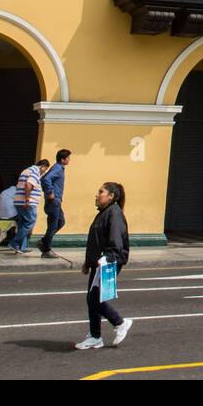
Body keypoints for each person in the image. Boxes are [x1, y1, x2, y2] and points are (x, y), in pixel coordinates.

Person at [76, 182, 132, 350]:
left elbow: (116, 239)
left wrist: (108, 258)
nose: (97, 195)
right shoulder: (103, 213)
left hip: (108, 262)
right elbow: (96, 241)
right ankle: (95, 336)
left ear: (111, 196)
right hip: (98, 263)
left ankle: (120, 323)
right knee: (92, 299)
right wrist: (88, 263)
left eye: (101, 192)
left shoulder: (114, 213)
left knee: (94, 299)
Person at [9, 158, 50, 254]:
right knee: (30, 222)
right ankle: (14, 242)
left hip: (19, 201)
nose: (44, 172)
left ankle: (21, 247)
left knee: (23, 223)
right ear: (43, 166)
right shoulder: (35, 171)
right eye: (45, 169)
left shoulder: (26, 170)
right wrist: (27, 200)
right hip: (28, 203)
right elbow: (28, 185)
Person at [38, 149, 71, 258]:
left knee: (61, 221)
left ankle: (44, 241)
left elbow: (44, 178)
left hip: (56, 201)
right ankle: (46, 249)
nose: (69, 160)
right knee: (52, 225)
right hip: (54, 201)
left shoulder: (58, 168)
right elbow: (46, 179)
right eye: (68, 158)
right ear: (62, 159)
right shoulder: (57, 168)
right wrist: (49, 192)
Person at [0, 169, 19, 244]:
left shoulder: (5, 191)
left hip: (1, 216)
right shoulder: (17, 191)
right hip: (11, 216)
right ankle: (18, 241)